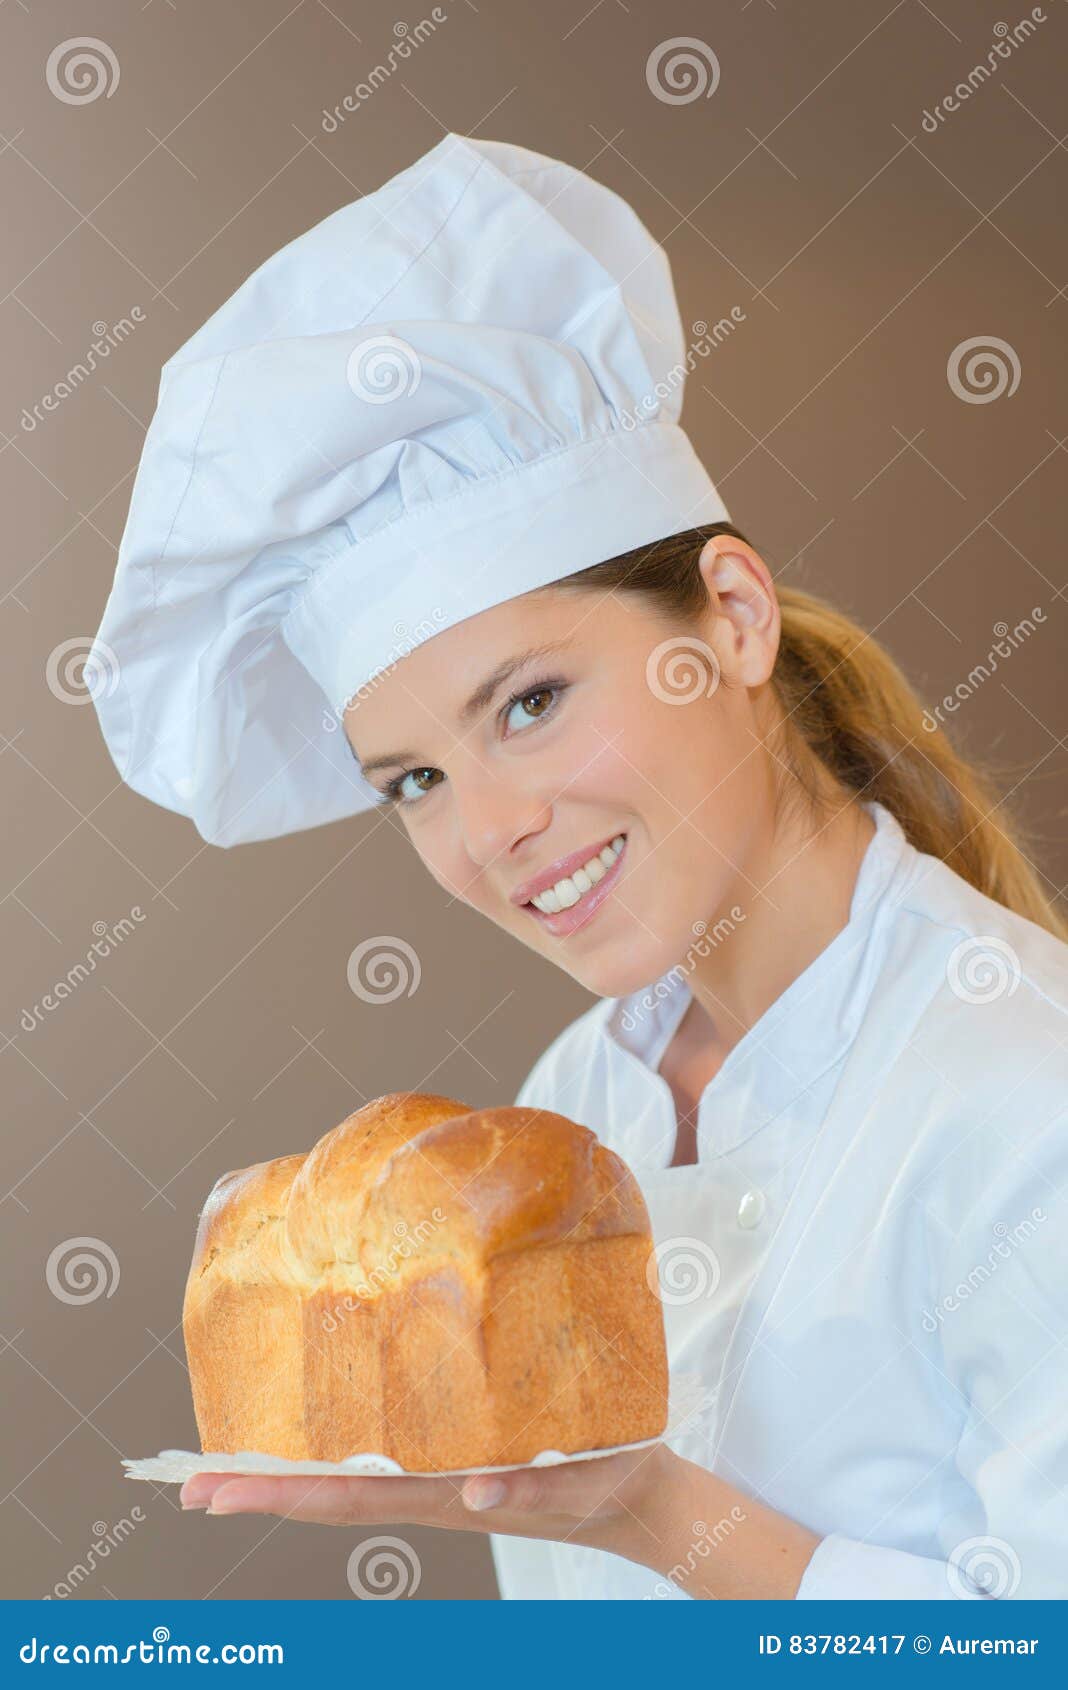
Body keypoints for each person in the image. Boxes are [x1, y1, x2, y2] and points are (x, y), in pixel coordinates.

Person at [89, 134, 1068, 1600]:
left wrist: (650, 1513)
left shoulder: (1024, 1092)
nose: (490, 828)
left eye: (531, 702)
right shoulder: (571, 1106)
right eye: (416, 781)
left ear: (732, 616)